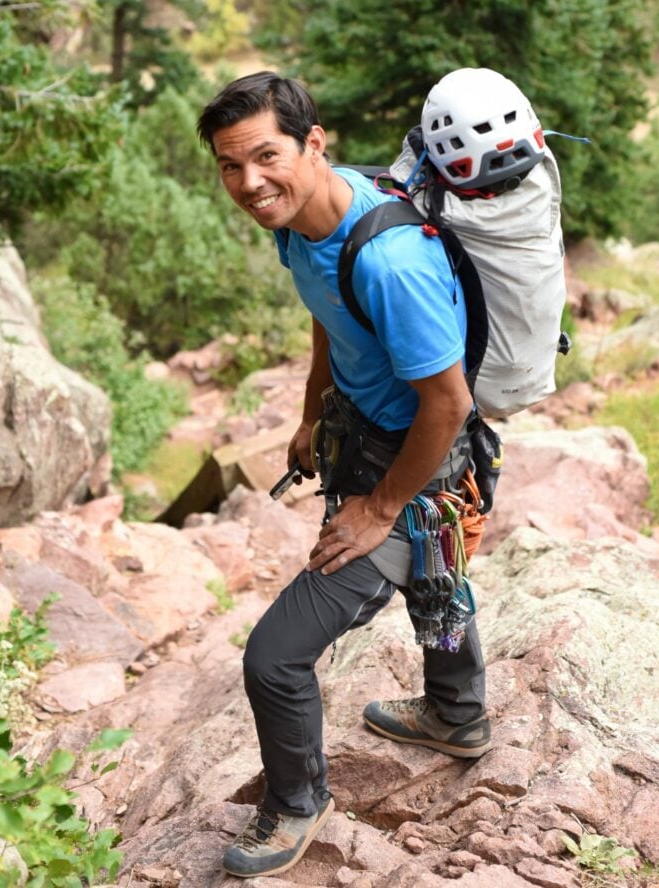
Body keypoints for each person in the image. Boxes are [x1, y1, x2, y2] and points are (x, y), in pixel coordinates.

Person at [196, 71, 490, 879]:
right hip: (366, 440)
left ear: (313, 144)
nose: (249, 183)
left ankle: (296, 804)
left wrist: (382, 506)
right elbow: (328, 311)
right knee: (436, 580)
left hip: (417, 466)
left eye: (265, 157)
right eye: (230, 166)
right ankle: (458, 715)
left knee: (275, 658)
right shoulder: (300, 220)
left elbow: (449, 402)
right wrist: (310, 410)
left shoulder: (392, 260)